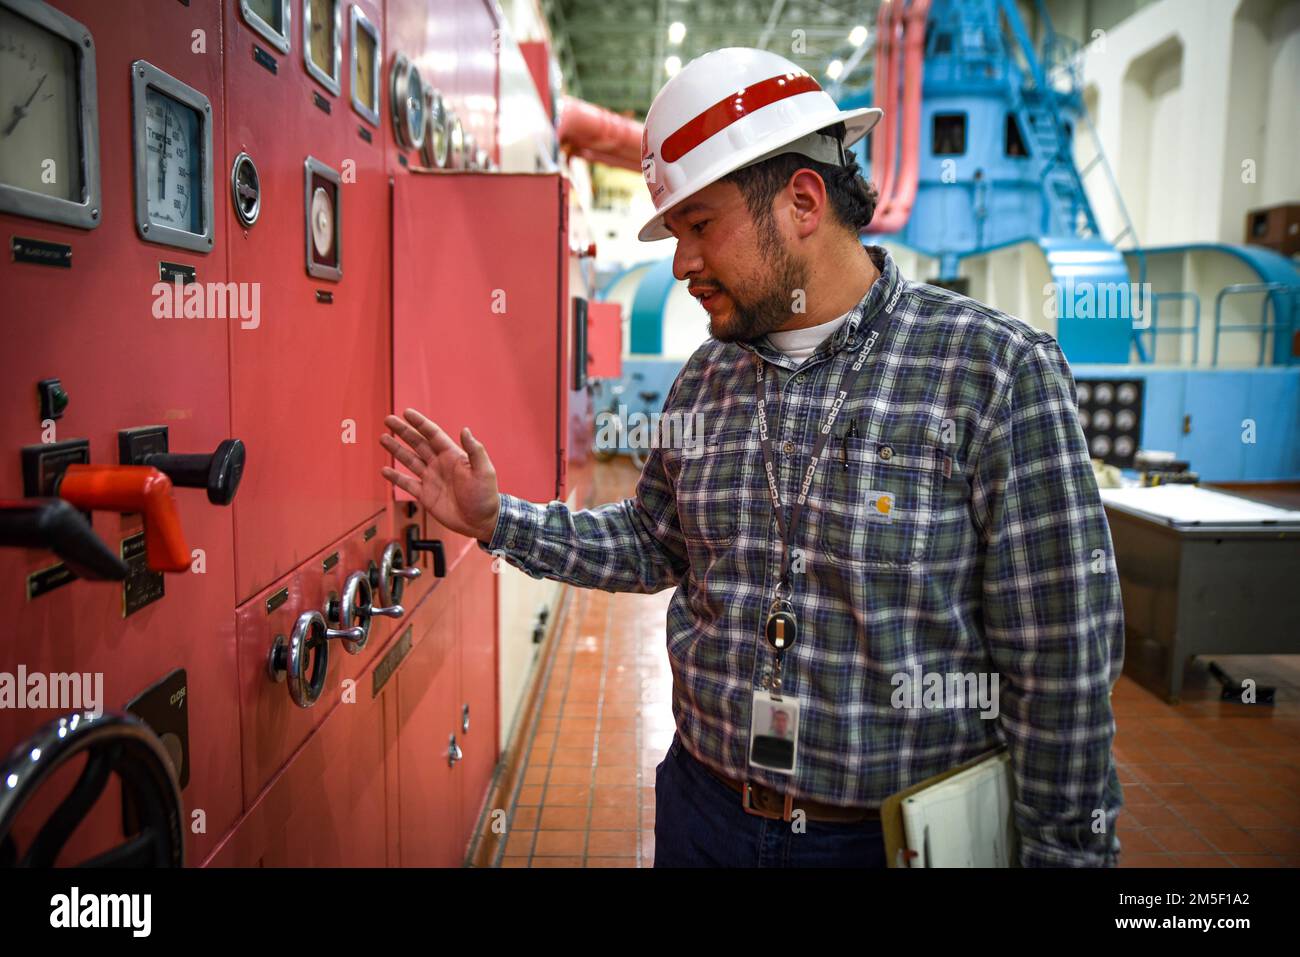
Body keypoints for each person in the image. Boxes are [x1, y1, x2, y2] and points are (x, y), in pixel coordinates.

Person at [379, 47, 1124, 868]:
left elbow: (1062, 669)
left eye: (700, 225)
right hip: (705, 811)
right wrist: (498, 520)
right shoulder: (709, 378)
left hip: (882, 841)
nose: (681, 263)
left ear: (802, 201)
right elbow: (651, 540)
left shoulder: (993, 374)